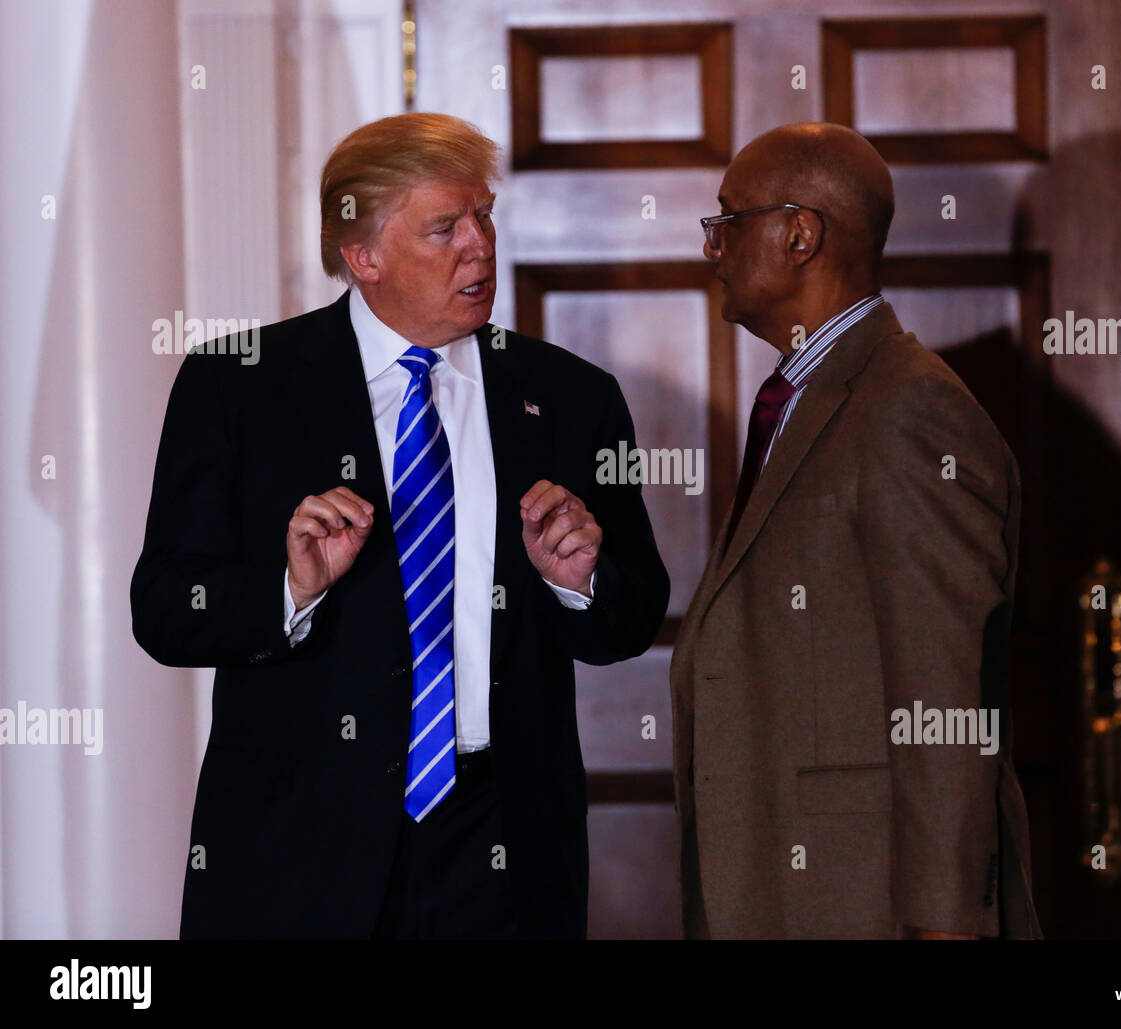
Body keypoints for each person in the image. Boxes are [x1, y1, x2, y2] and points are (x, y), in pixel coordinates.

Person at [131, 112, 669, 939]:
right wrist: (289, 587)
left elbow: (633, 614)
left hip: (502, 844)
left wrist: (580, 581)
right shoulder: (239, 386)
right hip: (298, 844)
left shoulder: (571, 396)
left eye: (484, 216)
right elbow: (167, 608)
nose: (481, 246)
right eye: (446, 227)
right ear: (363, 255)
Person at [670, 122, 1041, 939]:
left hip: (864, 905)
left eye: (728, 219)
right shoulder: (808, 396)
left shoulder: (909, 409)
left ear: (800, 233)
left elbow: (945, 700)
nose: (712, 247)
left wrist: (946, 927)